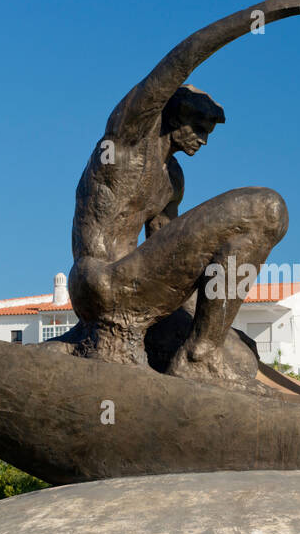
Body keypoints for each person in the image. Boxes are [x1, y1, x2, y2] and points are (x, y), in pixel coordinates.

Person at [68, 79, 287, 386]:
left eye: (208, 132)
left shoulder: (173, 178)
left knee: (242, 360)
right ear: (173, 117)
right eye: (198, 128)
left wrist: (216, 328)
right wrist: (229, 29)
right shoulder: (123, 150)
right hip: (103, 284)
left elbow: (175, 263)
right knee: (266, 209)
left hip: (138, 290)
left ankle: (203, 351)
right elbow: (162, 79)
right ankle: (199, 358)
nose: (204, 140)